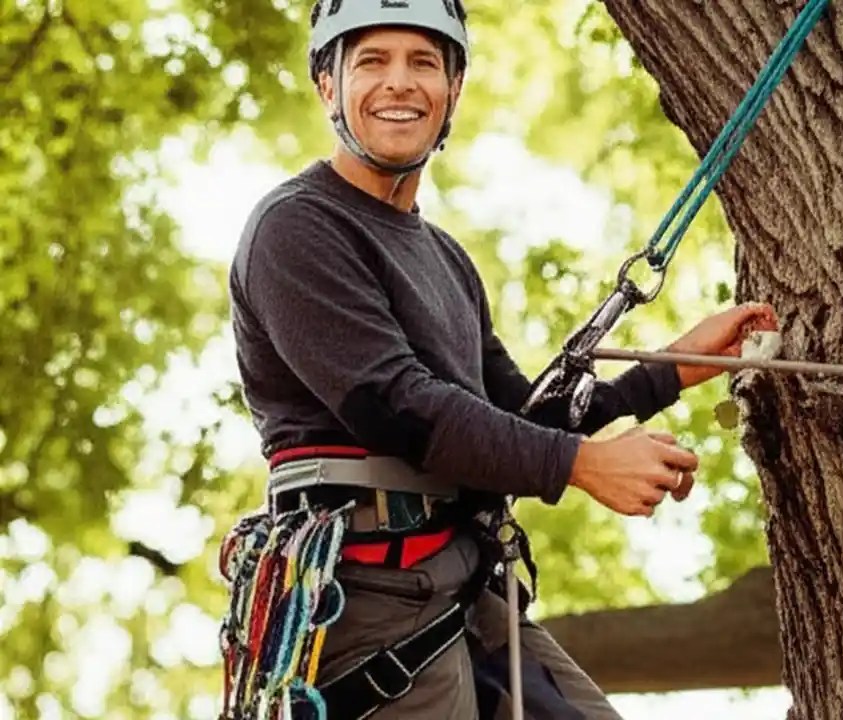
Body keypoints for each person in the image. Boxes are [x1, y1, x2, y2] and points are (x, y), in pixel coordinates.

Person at [226, 0, 778, 717]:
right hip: (365, 605)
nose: (400, 83)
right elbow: (396, 406)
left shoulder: (446, 259)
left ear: (453, 90)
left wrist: (668, 369)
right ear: (328, 87)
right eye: (372, 61)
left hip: (463, 588)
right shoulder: (297, 228)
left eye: (424, 62)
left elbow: (519, 417)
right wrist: (582, 467)